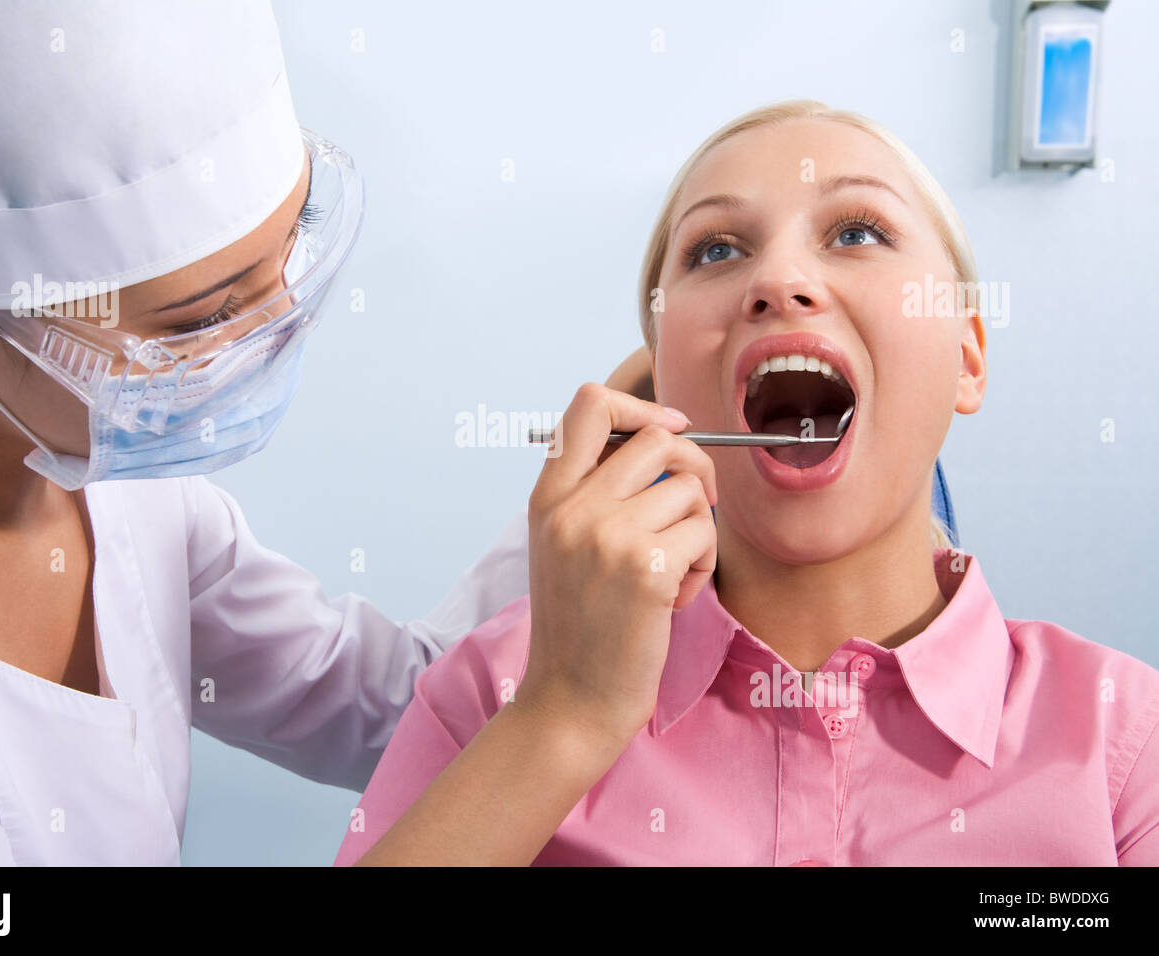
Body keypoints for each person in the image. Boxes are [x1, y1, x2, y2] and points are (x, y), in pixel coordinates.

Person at [0, 0, 672, 865]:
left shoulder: (117, 484)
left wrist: (591, 501)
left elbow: (396, 709)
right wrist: (568, 716)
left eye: (292, 250)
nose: (277, 330)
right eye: (204, 318)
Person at [335, 99, 1159, 866]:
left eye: (858, 233)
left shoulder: (1127, 738)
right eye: (716, 251)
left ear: (967, 360)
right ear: (660, 389)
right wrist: (567, 716)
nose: (778, 281)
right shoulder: (498, 694)